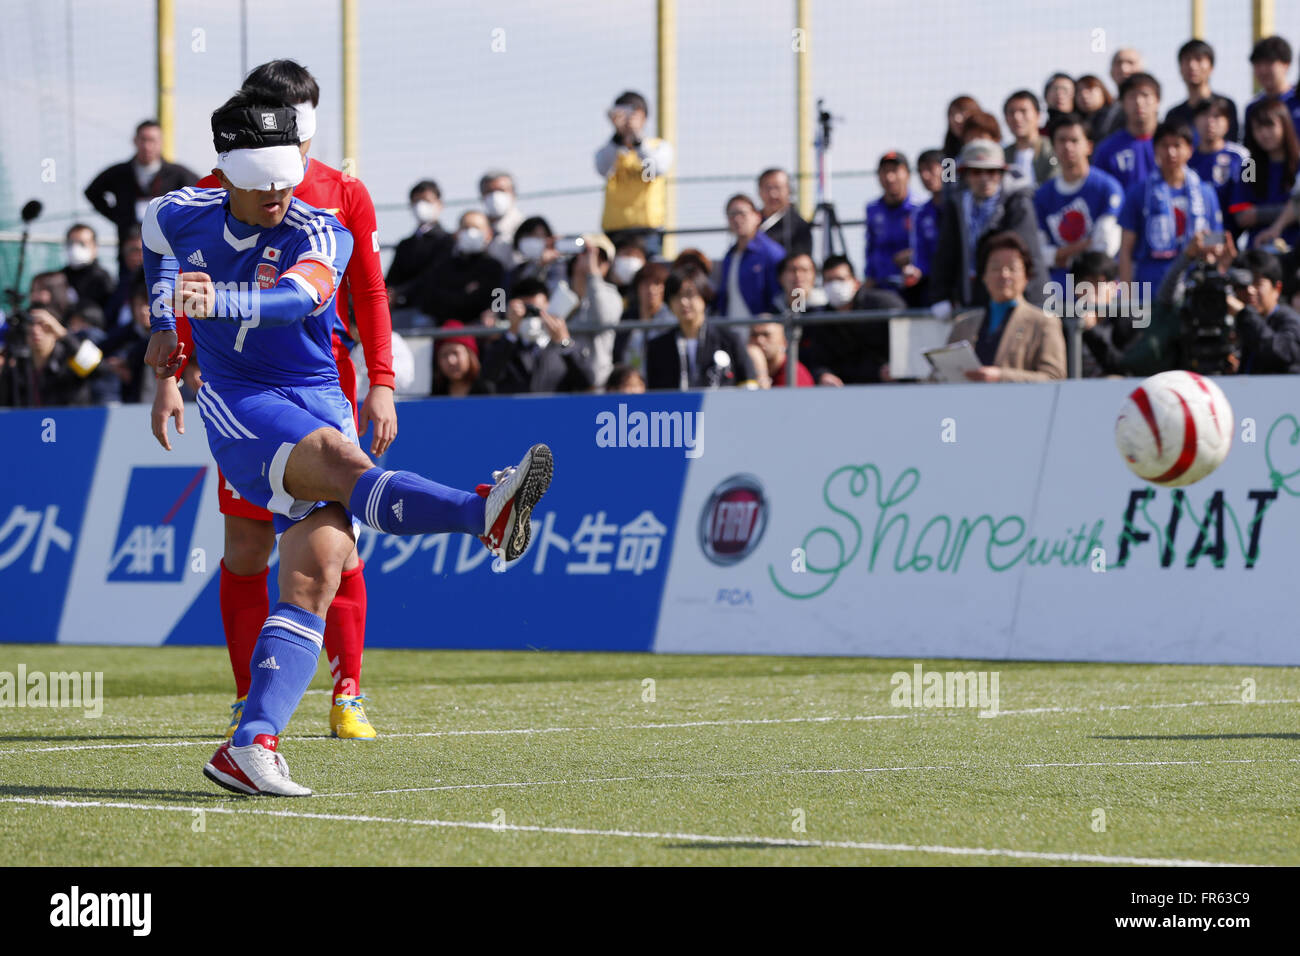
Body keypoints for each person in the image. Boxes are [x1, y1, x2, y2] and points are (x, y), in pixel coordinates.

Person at [146, 90, 551, 796]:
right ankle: (478, 512)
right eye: (262, 173)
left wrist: (215, 301)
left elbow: (300, 299)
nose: (278, 187)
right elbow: (156, 252)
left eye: (285, 171)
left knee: (319, 570)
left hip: (317, 397)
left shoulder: (320, 226)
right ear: (228, 171)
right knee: (341, 467)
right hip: (242, 402)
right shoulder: (180, 212)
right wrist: (165, 325)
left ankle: (250, 744)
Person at [187, 59, 398, 741]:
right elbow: (180, 289)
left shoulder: (345, 193)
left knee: (339, 542)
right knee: (247, 545)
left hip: (322, 388)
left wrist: (383, 382)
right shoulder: (209, 194)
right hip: (242, 393)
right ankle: (251, 700)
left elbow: (369, 291)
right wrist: (173, 369)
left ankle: (348, 692)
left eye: (303, 119)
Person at [930, 139, 1047, 312]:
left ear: (1001, 173)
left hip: (1014, 300)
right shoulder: (957, 205)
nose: (985, 178)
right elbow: (947, 252)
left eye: (992, 171)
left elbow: (1029, 257)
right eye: (977, 172)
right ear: (966, 175)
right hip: (971, 298)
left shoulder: (1018, 203)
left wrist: (1034, 304)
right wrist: (941, 296)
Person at [945, 231, 1066, 382]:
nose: (1004, 274)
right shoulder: (963, 325)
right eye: (995, 268)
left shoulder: (1044, 322)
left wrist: (1001, 376)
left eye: (1012, 268)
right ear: (983, 276)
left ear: (1027, 275)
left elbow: (1054, 377)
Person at [1117, 121, 1222, 292]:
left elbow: (1217, 238)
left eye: (1177, 145)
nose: (1171, 152)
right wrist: (1127, 296)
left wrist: (1201, 243)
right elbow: (1126, 249)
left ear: (1190, 150)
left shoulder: (1205, 192)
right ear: (1155, 149)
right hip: (1149, 285)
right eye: (1164, 145)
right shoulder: (1139, 191)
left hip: (1193, 283)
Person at [84, 120, 198, 269]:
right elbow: (92, 192)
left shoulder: (178, 174)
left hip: (167, 251)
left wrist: (178, 223)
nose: (147, 146)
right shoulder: (119, 173)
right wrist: (120, 218)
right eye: (143, 140)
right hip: (128, 252)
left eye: (152, 140)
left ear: (161, 142)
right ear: (135, 141)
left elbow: (200, 196)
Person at [1034, 113, 1123, 290]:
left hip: (1100, 286)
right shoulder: (1042, 195)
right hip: (1057, 288)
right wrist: (1082, 246)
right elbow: (1040, 253)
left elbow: (1104, 246)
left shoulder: (1107, 188)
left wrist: (1061, 255)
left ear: (1089, 146)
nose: (1068, 147)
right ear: (1053, 146)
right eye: (1061, 140)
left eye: (1074, 140)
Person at [645, 267, 757, 389]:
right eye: (676, 296)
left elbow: (748, 385)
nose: (683, 302)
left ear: (704, 296)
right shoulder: (657, 348)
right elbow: (654, 396)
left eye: (689, 294)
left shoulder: (730, 341)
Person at [481, 278, 595, 394]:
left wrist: (564, 342)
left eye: (536, 311)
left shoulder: (564, 347)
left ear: (548, 307)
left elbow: (588, 382)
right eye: (526, 311)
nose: (531, 317)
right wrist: (511, 332)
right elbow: (488, 376)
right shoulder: (505, 346)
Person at [596, 91, 674, 257]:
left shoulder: (658, 147)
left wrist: (637, 141)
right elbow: (602, 168)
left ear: (643, 116)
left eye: (631, 113)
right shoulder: (612, 149)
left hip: (647, 231)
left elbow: (650, 173)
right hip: (614, 230)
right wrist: (618, 138)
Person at [799, 254, 896, 385]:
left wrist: (895, 367)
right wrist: (822, 375)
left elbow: (904, 344)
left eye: (840, 279)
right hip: (841, 392)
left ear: (856, 282)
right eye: (829, 280)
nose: (834, 285)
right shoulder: (820, 319)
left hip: (886, 387)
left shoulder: (884, 305)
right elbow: (816, 360)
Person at [1229, 97, 1300, 247]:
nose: (1265, 134)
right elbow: (1240, 214)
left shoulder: (1297, 164)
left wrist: (1258, 213)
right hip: (1258, 252)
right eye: (1258, 128)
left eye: (1270, 126)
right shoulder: (1250, 167)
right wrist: (1290, 212)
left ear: (1284, 125)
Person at [0, 306, 101, 406]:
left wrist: (63, 334)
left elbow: (100, 371)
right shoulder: (19, 367)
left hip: (68, 421)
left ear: (55, 330)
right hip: (32, 422)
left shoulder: (69, 361)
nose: (36, 331)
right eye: (30, 324)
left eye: (44, 325)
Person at [422, 211, 507, 324]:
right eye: (466, 227)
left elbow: (498, 302)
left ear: (489, 234)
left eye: (477, 228)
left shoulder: (496, 268)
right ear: (456, 234)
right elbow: (431, 302)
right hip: (447, 331)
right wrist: (466, 295)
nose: (471, 232)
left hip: (481, 332)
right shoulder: (442, 268)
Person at [1226, 249, 1300, 373]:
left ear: (1277, 288)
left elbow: (1281, 354)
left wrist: (1245, 314)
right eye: (1244, 285)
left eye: (1257, 283)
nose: (1250, 290)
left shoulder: (1290, 320)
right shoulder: (1237, 321)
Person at [714, 194, 785, 317]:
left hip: (760, 331)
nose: (737, 219)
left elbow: (790, 292)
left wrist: (787, 317)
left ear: (757, 216)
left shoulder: (772, 253)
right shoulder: (729, 256)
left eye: (742, 213)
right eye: (731, 215)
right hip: (730, 331)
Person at [386, 180, 452, 309]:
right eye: (416, 201)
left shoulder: (447, 241)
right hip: (400, 309)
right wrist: (388, 292)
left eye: (427, 201)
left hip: (431, 309)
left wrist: (400, 292)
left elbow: (433, 275)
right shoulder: (405, 244)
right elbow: (392, 277)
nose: (421, 206)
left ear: (440, 205)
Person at [1094, 73, 1161, 191]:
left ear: (1157, 101)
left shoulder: (1174, 145)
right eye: (1132, 96)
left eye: (1145, 95)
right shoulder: (1107, 149)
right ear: (1122, 103)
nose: (1139, 102)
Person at [1165, 39, 1239, 145]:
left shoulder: (1226, 106)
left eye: (1199, 59)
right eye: (1187, 60)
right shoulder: (1174, 115)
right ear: (1180, 68)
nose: (1192, 66)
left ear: (1211, 67)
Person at [864, 152, 918, 293]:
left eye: (895, 171)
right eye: (884, 172)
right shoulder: (873, 210)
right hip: (881, 285)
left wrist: (914, 255)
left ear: (907, 174)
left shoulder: (920, 210)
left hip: (914, 285)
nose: (890, 177)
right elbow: (870, 248)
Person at [1189, 97, 1251, 218]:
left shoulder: (1244, 157)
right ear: (1195, 121)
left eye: (1217, 116)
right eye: (1204, 115)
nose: (1210, 122)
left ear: (1227, 123)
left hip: (1234, 231)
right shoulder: (1186, 159)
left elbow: (1250, 196)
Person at [1244, 36, 1300, 152]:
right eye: (1258, 64)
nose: (1263, 70)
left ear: (1286, 64)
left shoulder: (1297, 99)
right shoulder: (1253, 108)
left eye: (1269, 63)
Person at [1003, 91, 1057, 184]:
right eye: (1011, 112)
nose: (1017, 117)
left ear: (1038, 115)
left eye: (1023, 111)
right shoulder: (1002, 156)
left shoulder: (1054, 149)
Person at [757, 167, 813, 255]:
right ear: (759, 191)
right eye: (768, 188)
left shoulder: (799, 226)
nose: (773, 194)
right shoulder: (751, 222)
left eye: (778, 188)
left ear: (789, 190)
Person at [59, 223, 114, 312]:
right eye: (71, 243)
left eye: (82, 244)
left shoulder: (102, 278)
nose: (75, 248)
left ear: (94, 247)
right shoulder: (60, 277)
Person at [431, 321, 493, 396]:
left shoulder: (486, 390)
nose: (451, 361)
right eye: (444, 355)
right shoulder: (435, 393)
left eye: (455, 353)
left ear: (469, 355)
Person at [1094, 48, 1145, 140]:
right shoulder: (1103, 110)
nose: (1124, 68)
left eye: (1130, 63)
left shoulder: (1148, 106)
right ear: (1111, 71)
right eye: (1118, 63)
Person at [479, 170, 523, 269]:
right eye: (489, 191)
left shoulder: (525, 228)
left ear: (513, 194)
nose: (495, 196)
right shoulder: (477, 229)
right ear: (482, 196)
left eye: (501, 190)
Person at [749, 321, 812, 387]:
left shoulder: (795, 375)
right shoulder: (744, 368)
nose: (759, 340)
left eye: (766, 335)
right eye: (754, 335)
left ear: (784, 342)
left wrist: (761, 376)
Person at [1074, 74, 1116, 145]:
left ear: (1102, 91)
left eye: (1090, 89)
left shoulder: (1116, 115)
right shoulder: (1074, 122)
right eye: (1078, 91)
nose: (1084, 95)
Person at [943, 95, 981, 160]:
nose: (956, 119)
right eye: (952, 114)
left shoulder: (992, 149)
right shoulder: (947, 157)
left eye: (962, 112)